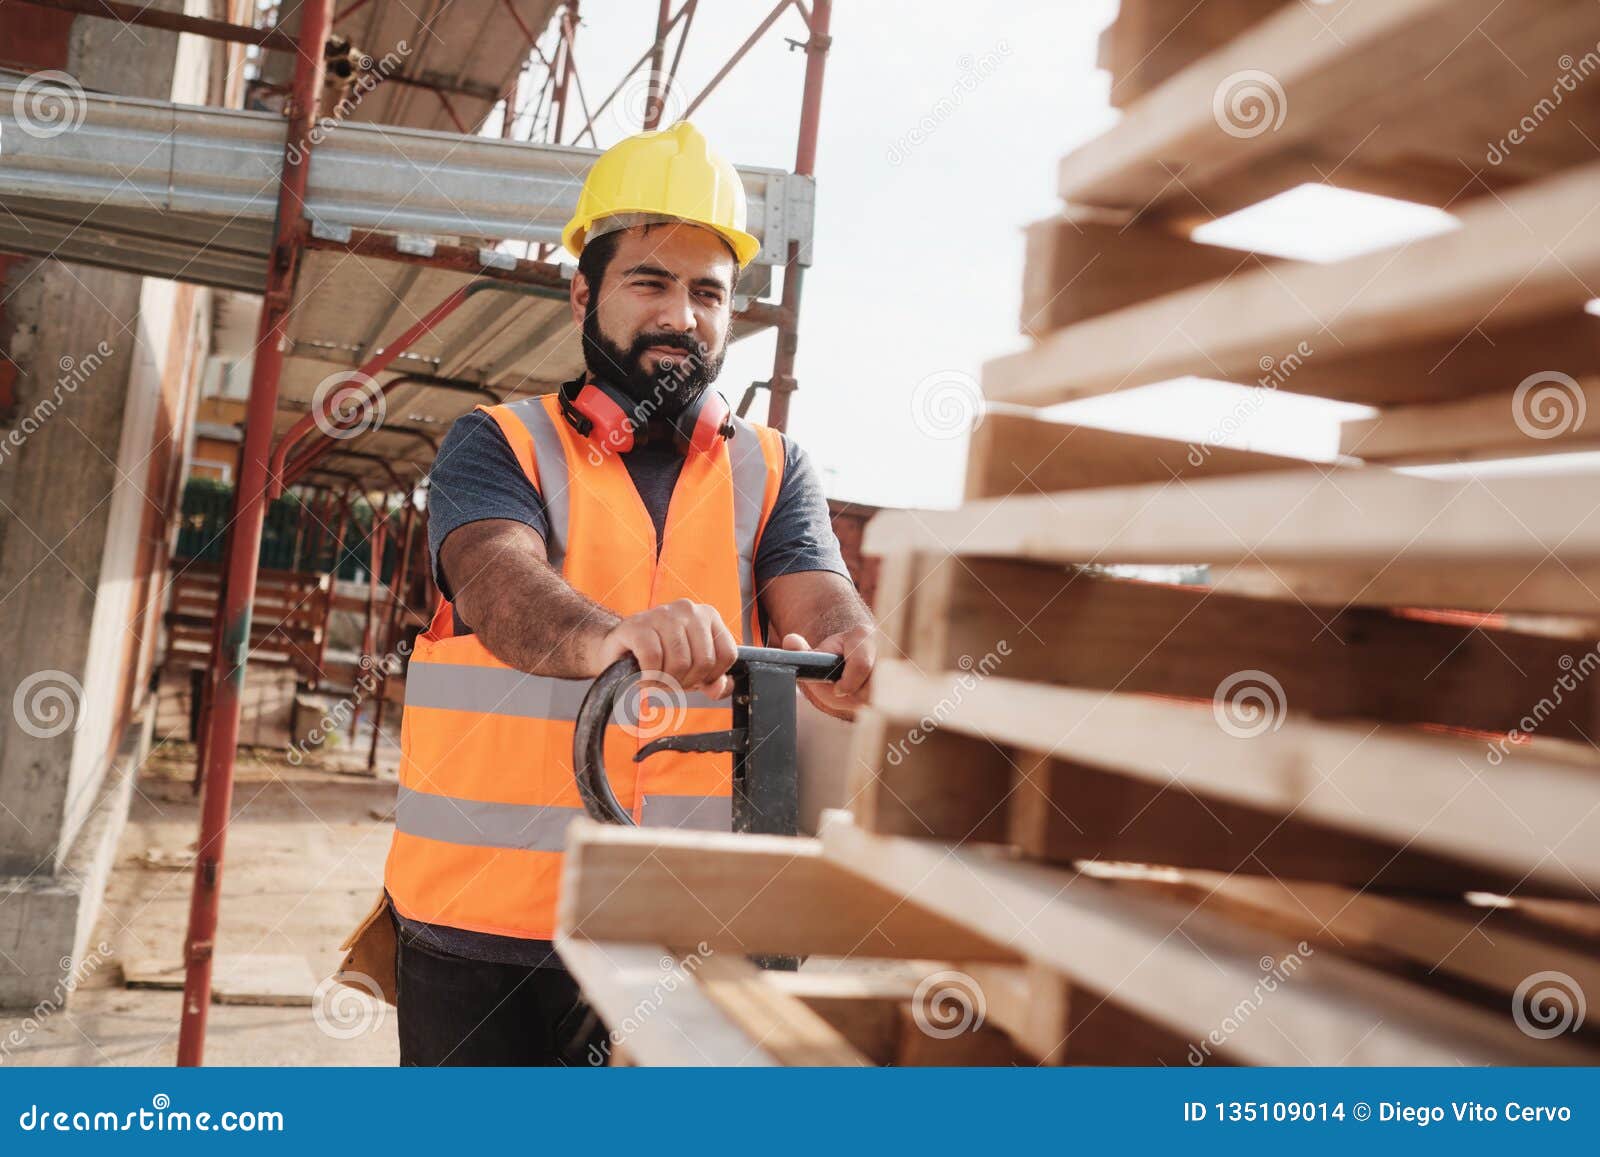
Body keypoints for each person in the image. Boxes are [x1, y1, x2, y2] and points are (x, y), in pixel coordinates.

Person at [381, 120, 877, 1066]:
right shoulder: (499, 442)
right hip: (484, 924)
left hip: (680, 925)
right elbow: (496, 580)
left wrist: (853, 642)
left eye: (707, 292)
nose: (681, 314)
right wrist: (617, 635)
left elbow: (818, 593)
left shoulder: (774, 468)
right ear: (583, 294)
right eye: (650, 282)